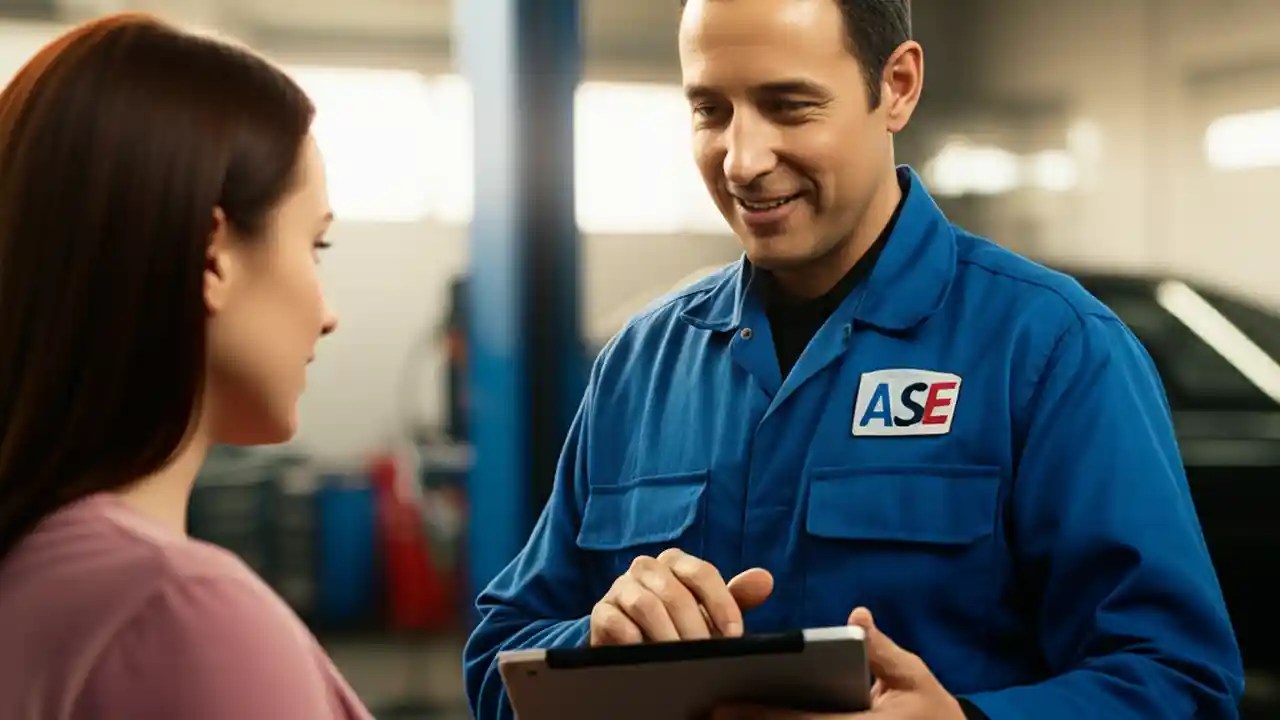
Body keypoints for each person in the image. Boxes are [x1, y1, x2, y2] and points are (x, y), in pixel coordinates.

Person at [463, 0, 1246, 718]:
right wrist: (596, 649)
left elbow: (1182, 683)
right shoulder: (641, 367)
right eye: (710, 109)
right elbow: (499, 661)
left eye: (787, 106)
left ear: (896, 86)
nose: (740, 159)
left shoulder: (1049, 351)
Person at [0, 14, 374, 719]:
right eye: (314, 247)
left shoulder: (36, 573)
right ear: (213, 256)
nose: (328, 313)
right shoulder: (177, 612)